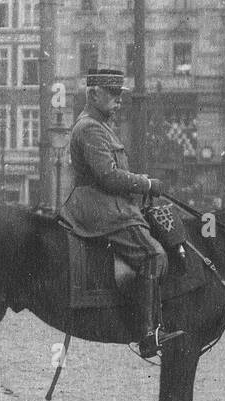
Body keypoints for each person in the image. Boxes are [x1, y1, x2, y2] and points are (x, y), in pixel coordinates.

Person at [59, 67, 184, 358]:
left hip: (107, 203)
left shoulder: (99, 125)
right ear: (94, 94)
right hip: (99, 207)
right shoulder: (90, 127)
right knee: (154, 254)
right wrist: (148, 184)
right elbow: (108, 176)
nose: (118, 100)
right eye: (112, 94)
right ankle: (148, 333)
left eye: (119, 94)